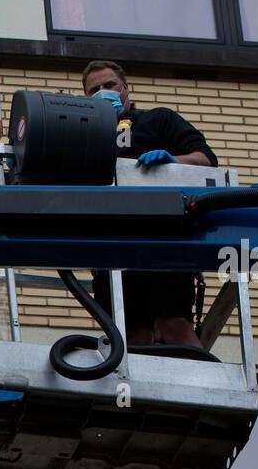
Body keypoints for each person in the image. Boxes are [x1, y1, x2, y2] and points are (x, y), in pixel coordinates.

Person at [82, 60, 219, 349]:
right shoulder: (85, 137)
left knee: (173, 324)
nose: (102, 92)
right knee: (131, 335)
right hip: (110, 246)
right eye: (94, 90)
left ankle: (194, 387)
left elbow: (206, 160)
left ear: (125, 88)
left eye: (109, 85)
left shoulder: (158, 120)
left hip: (163, 239)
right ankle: (134, 394)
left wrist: (172, 161)